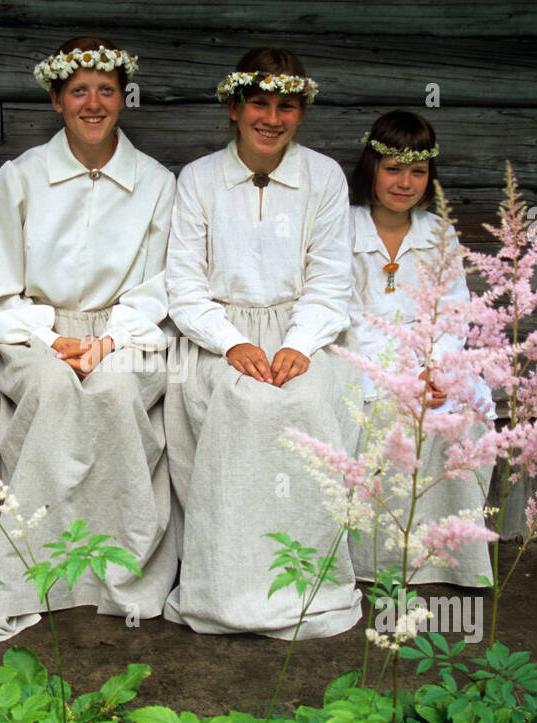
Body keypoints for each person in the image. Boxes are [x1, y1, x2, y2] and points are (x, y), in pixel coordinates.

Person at [0, 37, 178, 641]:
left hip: (128, 332)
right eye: (79, 90)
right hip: (32, 333)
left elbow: (161, 284)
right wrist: (50, 337)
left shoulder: (156, 183)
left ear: (123, 98)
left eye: (106, 90)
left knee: (113, 394)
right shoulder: (22, 177)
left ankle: (120, 568)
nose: (94, 103)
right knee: (56, 393)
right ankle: (40, 570)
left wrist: (111, 340)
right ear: (57, 98)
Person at [163, 48, 364, 639]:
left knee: (303, 404)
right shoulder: (199, 178)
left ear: (301, 112)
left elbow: (330, 278)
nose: (271, 118)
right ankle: (229, 587)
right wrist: (229, 342)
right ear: (234, 106)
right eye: (259, 103)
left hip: (303, 329)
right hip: (218, 334)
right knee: (246, 404)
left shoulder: (322, 176)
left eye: (286, 106)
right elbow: (184, 283)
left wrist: (300, 344)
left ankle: (307, 583)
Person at [348, 109, 493, 587]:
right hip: (362, 352)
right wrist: (396, 371)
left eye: (417, 171)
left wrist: (434, 368)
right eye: (393, 169)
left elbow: (453, 309)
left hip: (429, 355)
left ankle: (444, 556)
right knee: (378, 407)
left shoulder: (439, 233)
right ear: (372, 167)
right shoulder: (343, 228)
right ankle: (374, 560)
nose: (404, 182)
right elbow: (340, 310)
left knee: (464, 408)